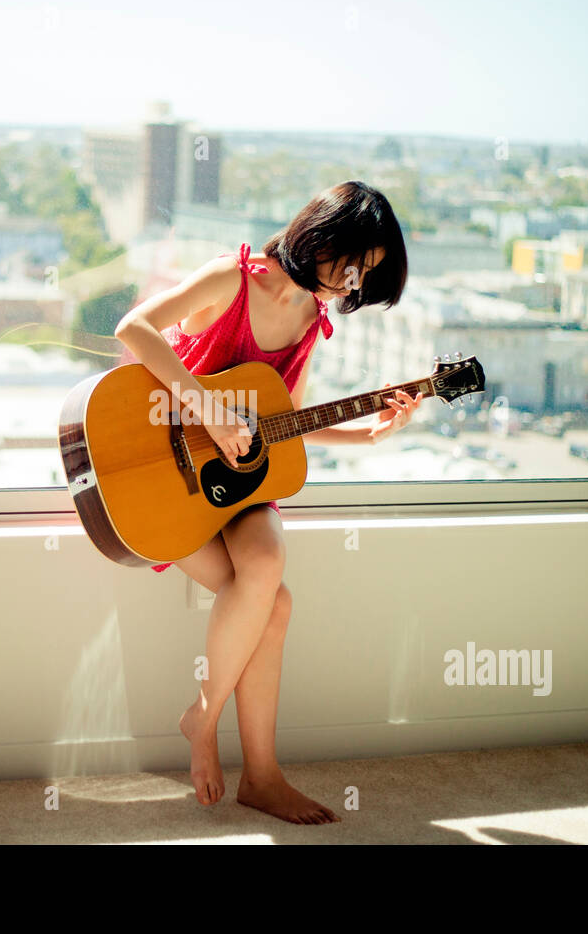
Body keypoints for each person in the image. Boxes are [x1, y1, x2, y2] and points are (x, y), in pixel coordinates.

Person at [113, 180, 415, 825]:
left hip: (240, 483)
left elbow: (287, 419)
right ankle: (257, 770)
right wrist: (207, 408)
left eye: (368, 278)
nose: (356, 285)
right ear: (325, 238)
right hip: (166, 472)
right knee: (271, 606)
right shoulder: (233, 277)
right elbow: (135, 328)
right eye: (356, 267)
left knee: (267, 567)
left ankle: (212, 721)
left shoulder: (313, 322)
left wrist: (373, 429)